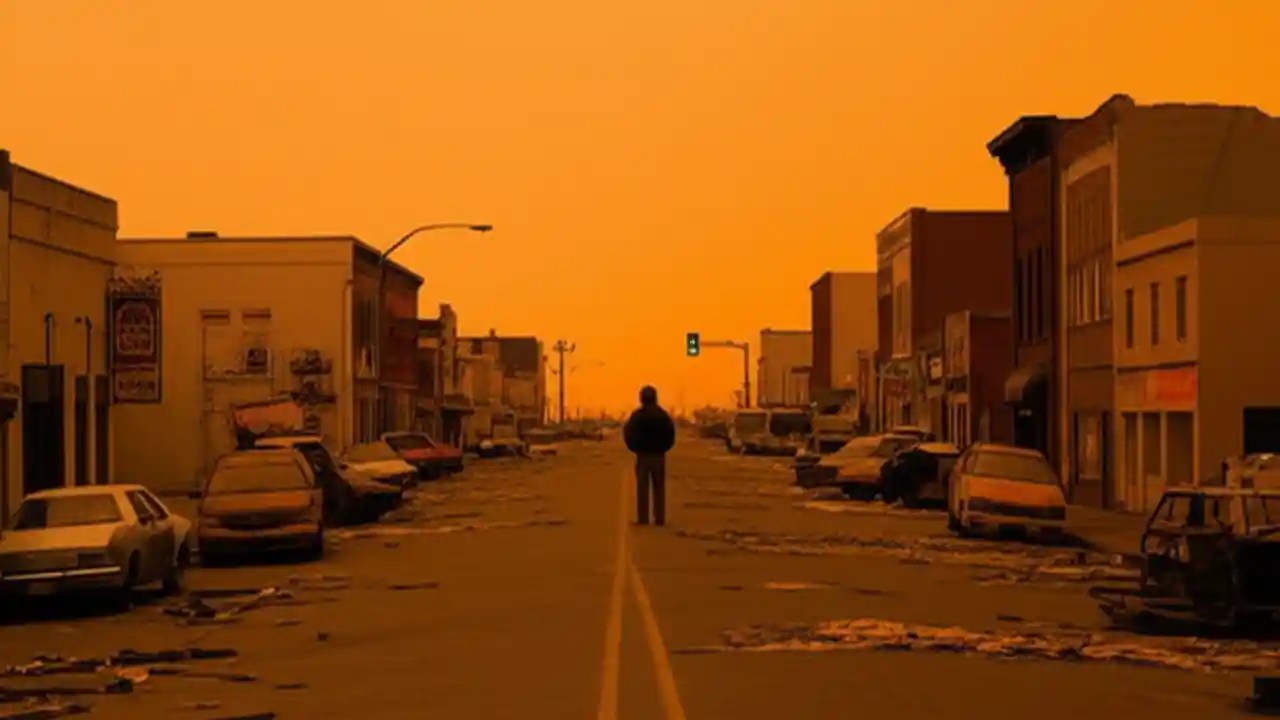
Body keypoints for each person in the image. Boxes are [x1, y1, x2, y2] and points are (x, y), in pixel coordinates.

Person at [624, 385, 676, 526]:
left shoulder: (637, 416)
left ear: (641, 398)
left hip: (643, 456)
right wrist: (663, 448)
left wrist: (635, 448)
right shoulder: (663, 416)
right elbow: (671, 435)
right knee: (659, 488)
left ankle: (643, 518)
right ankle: (659, 518)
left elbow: (628, 434)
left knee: (642, 489)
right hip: (658, 456)